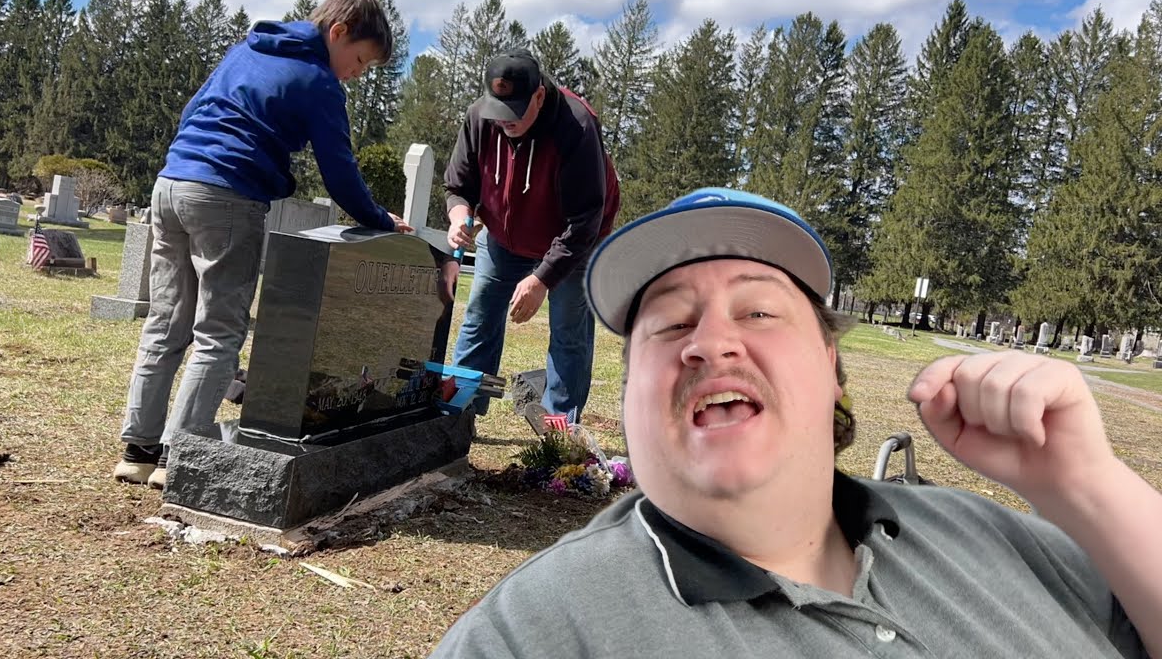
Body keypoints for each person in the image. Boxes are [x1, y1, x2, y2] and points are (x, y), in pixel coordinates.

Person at [430, 187, 1157, 658]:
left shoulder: (993, 537)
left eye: (757, 311)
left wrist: (1083, 483)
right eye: (672, 323)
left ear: (831, 366)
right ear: (628, 398)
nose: (712, 343)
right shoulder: (535, 635)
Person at [113, 0, 413, 489]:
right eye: (359, 60)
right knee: (219, 333)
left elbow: (192, 111)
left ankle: (138, 450)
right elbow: (340, 173)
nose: (356, 73)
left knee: (166, 324)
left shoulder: (247, 50)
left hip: (171, 184)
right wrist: (381, 219)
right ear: (338, 33)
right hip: (228, 195)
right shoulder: (318, 81)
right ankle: (179, 456)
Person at [443, 48, 619, 425]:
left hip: (573, 241)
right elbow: (458, 186)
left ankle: (559, 430)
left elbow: (586, 219)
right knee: (479, 315)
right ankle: (457, 417)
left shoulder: (577, 126)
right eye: (498, 109)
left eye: (514, 111)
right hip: (502, 237)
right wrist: (459, 217)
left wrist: (541, 279)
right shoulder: (480, 117)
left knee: (568, 330)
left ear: (539, 96)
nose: (504, 120)